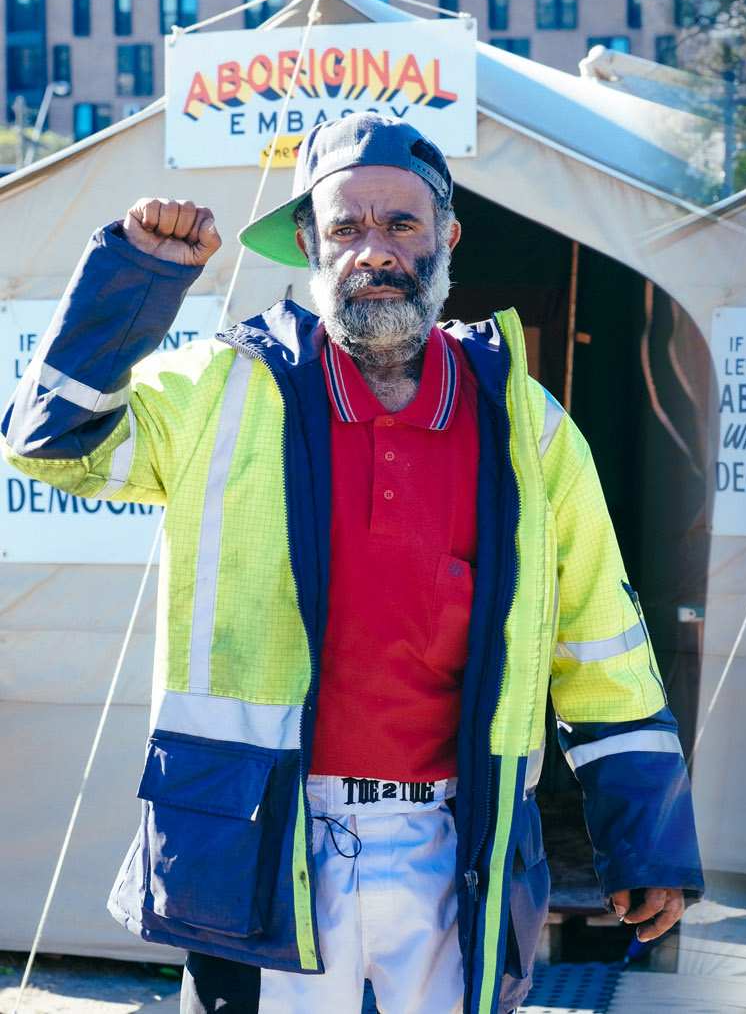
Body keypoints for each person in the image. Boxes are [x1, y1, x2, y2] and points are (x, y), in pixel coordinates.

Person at [1, 113, 702, 1014]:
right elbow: (51, 444)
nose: (374, 249)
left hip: (457, 842)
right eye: (345, 227)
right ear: (307, 242)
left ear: (447, 236)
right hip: (264, 839)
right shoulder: (222, 385)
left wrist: (644, 842)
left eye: (402, 224)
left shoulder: (529, 425)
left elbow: (601, 648)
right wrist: (136, 280)